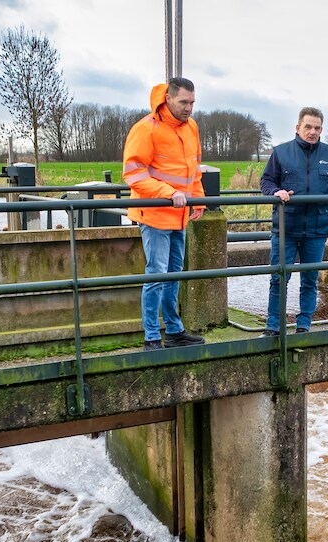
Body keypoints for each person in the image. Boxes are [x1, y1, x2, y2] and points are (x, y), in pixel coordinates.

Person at [260, 107, 328, 335]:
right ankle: (273, 326)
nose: (312, 131)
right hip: (287, 227)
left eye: (317, 128)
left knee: (310, 279)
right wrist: (276, 192)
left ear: (321, 130)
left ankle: (304, 324)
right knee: (279, 278)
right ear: (298, 128)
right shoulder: (281, 152)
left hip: (317, 227)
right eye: (308, 127)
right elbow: (266, 181)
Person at [123, 77, 206, 350]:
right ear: (168, 99)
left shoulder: (191, 127)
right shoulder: (146, 129)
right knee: (157, 274)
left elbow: (193, 169)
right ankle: (151, 336)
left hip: (179, 215)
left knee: (173, 275)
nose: (189, 108)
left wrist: (199, 199)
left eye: (192, 102)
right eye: (183, 102)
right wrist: (168, 192)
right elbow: (133, 174)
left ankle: (174, 331)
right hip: (155, 215)